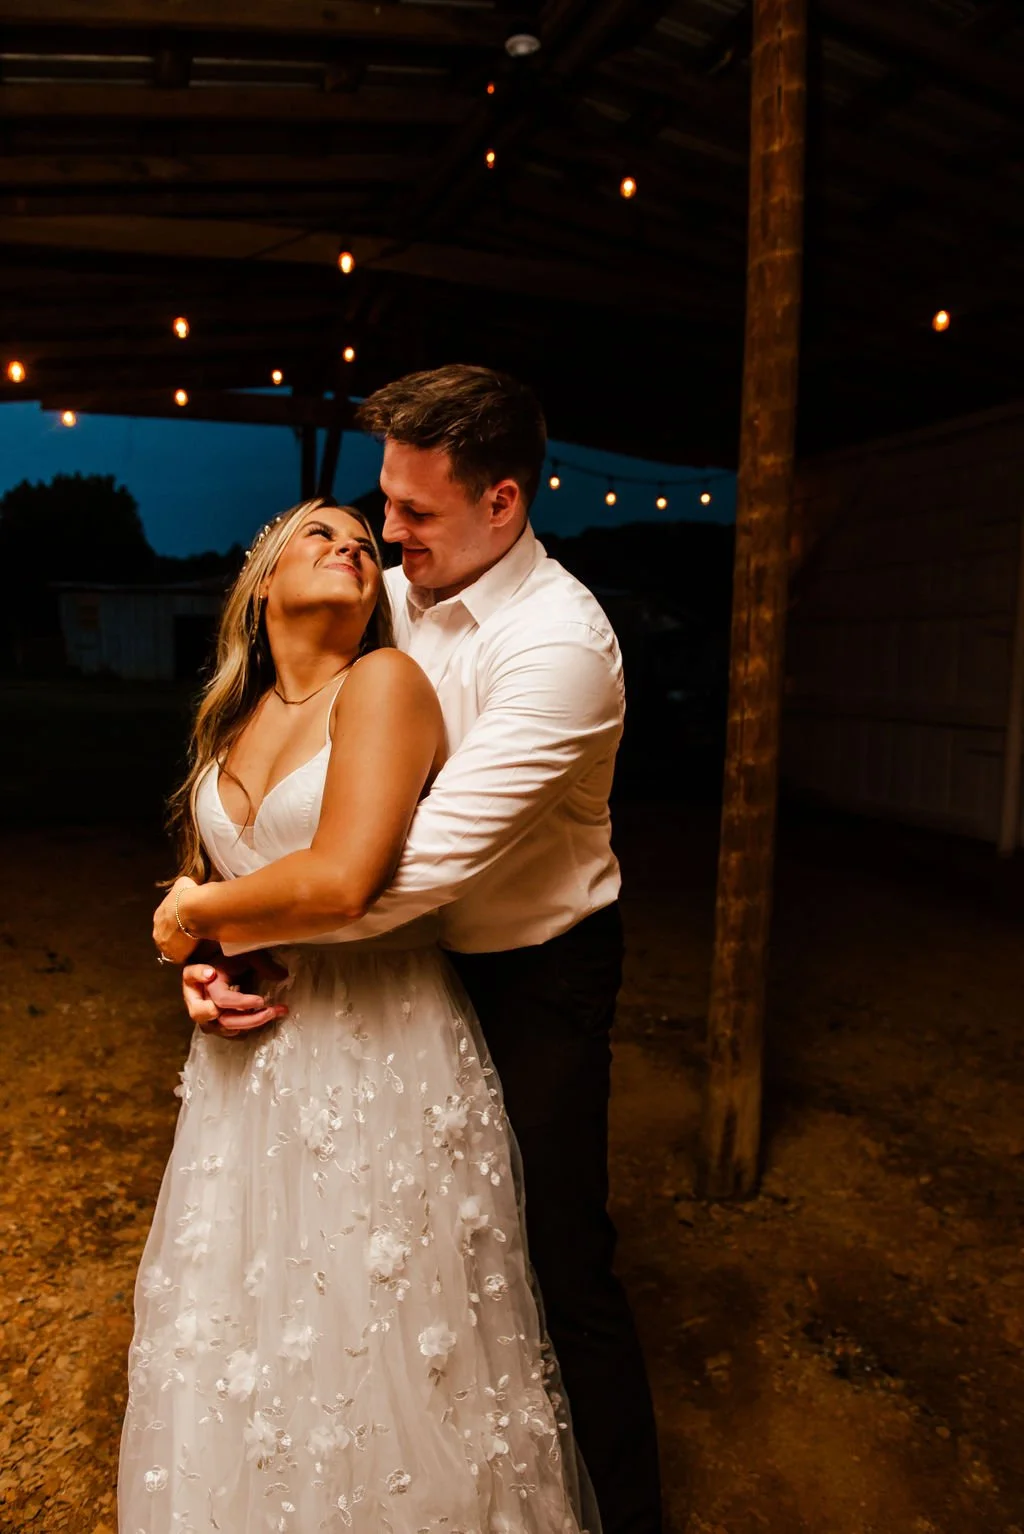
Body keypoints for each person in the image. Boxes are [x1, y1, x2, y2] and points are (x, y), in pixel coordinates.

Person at [182, 365, 662, 1534]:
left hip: (534, 961)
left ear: (503, 502)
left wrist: (211, 922)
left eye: (415, 515)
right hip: (399, 965)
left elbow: (402, 875)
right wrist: (218, 952)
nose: (387, 537)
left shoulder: (560, 649)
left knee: (555, 1257)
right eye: (380, 507)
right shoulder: (395, 591)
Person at [123, 497, 596, 1533]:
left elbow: (338, 881)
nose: (351, 546)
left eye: (364, 543)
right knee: (250, 1325)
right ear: (259, 587)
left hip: (377, 1038)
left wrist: (189, 914)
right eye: (320, 533)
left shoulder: (382, 684)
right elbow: (223, 893)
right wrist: (196, 969)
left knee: (377, 1332)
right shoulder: (231, 722)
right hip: (249, 1068)